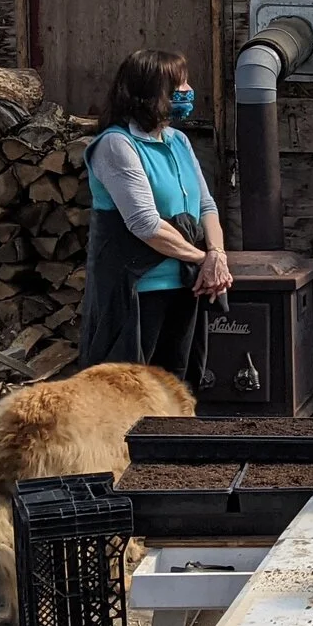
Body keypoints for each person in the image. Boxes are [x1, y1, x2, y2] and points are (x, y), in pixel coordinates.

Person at [79, 48, 231, 379]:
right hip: (137, 293)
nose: (188, 90)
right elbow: (144, 224)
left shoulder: (178, 141)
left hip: (186, 287)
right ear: (148, 93)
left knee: (178, 389)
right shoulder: (116, 145)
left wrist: (216, 254)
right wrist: (202, 259)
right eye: (177, 84)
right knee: (128, 392)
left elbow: (206, 206)